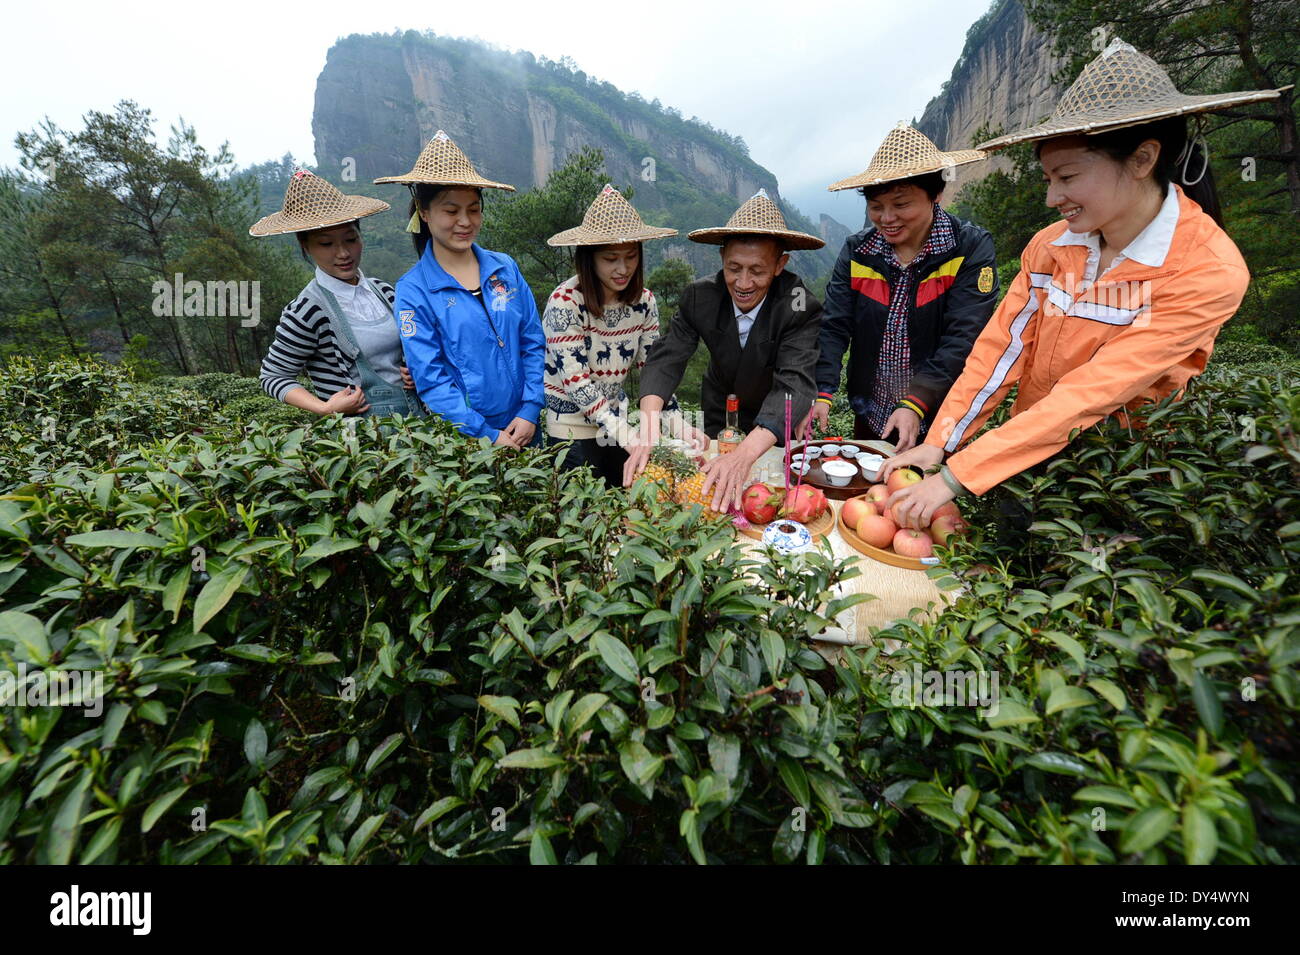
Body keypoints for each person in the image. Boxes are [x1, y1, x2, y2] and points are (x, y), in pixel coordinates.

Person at [879, 39, 1286, 530]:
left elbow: (1093, 392)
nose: (1053, 197)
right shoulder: (1052, 247)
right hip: (1024, 455)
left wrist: (956, 476)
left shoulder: (1205, 270)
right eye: (1048, 178)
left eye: (1066, 176)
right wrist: (940, 442)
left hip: (1125, 478)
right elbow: (1002, 350)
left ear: (1142, 160)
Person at [627, 190, 825, 511]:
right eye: (734, 268)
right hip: (720, 406)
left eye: (757, 271)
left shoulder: (799, 304)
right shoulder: (699, 297)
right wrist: (649, 424)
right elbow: (667, 357)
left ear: (780, 265)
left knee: (766, 489)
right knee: (711, 485)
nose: (743, 283)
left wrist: (746, 455)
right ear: (721, 258)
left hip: (774, 416)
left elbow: (795, 383)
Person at [808, 124, 999, 452]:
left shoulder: (967, 248)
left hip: (940, 416)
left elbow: (963, 337)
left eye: (901, 204)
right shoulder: (859, 252)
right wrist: (823, 390)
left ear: (936, 194)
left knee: (925, 498)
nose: (887, 218)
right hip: (871, 412)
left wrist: (916, 400)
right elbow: (835, 324)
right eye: (876, 206)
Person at [374, 130, 545, 448]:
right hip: (467, 443)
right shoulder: (414, 291)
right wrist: (488, 436)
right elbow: (431, 379)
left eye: (474, 209)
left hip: (527, 429)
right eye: (451, 211)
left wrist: (530, 410)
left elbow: (532, 341)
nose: (465, 221)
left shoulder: (504, 268)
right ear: (424, 213)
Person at [542, 185, 706, 486]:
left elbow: (653, 369)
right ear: (589, 258)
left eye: (631, 256)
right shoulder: (565, 302)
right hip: (572, 431)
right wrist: (630, 436)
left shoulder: (643, 301)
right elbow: (577, 382)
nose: (623, 268)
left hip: (617, 426)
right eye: (610, 258)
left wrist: (677, 423)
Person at [254, 171, 424, 417]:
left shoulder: (385, 292)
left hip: (416, 427)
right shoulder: (307, 310)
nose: (343, 253)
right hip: (360, 442)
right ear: (306, 246)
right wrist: (325, 408)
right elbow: (273, 376)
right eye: (326, 244)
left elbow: (413, 348)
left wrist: (417, 372)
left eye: (350, 239)